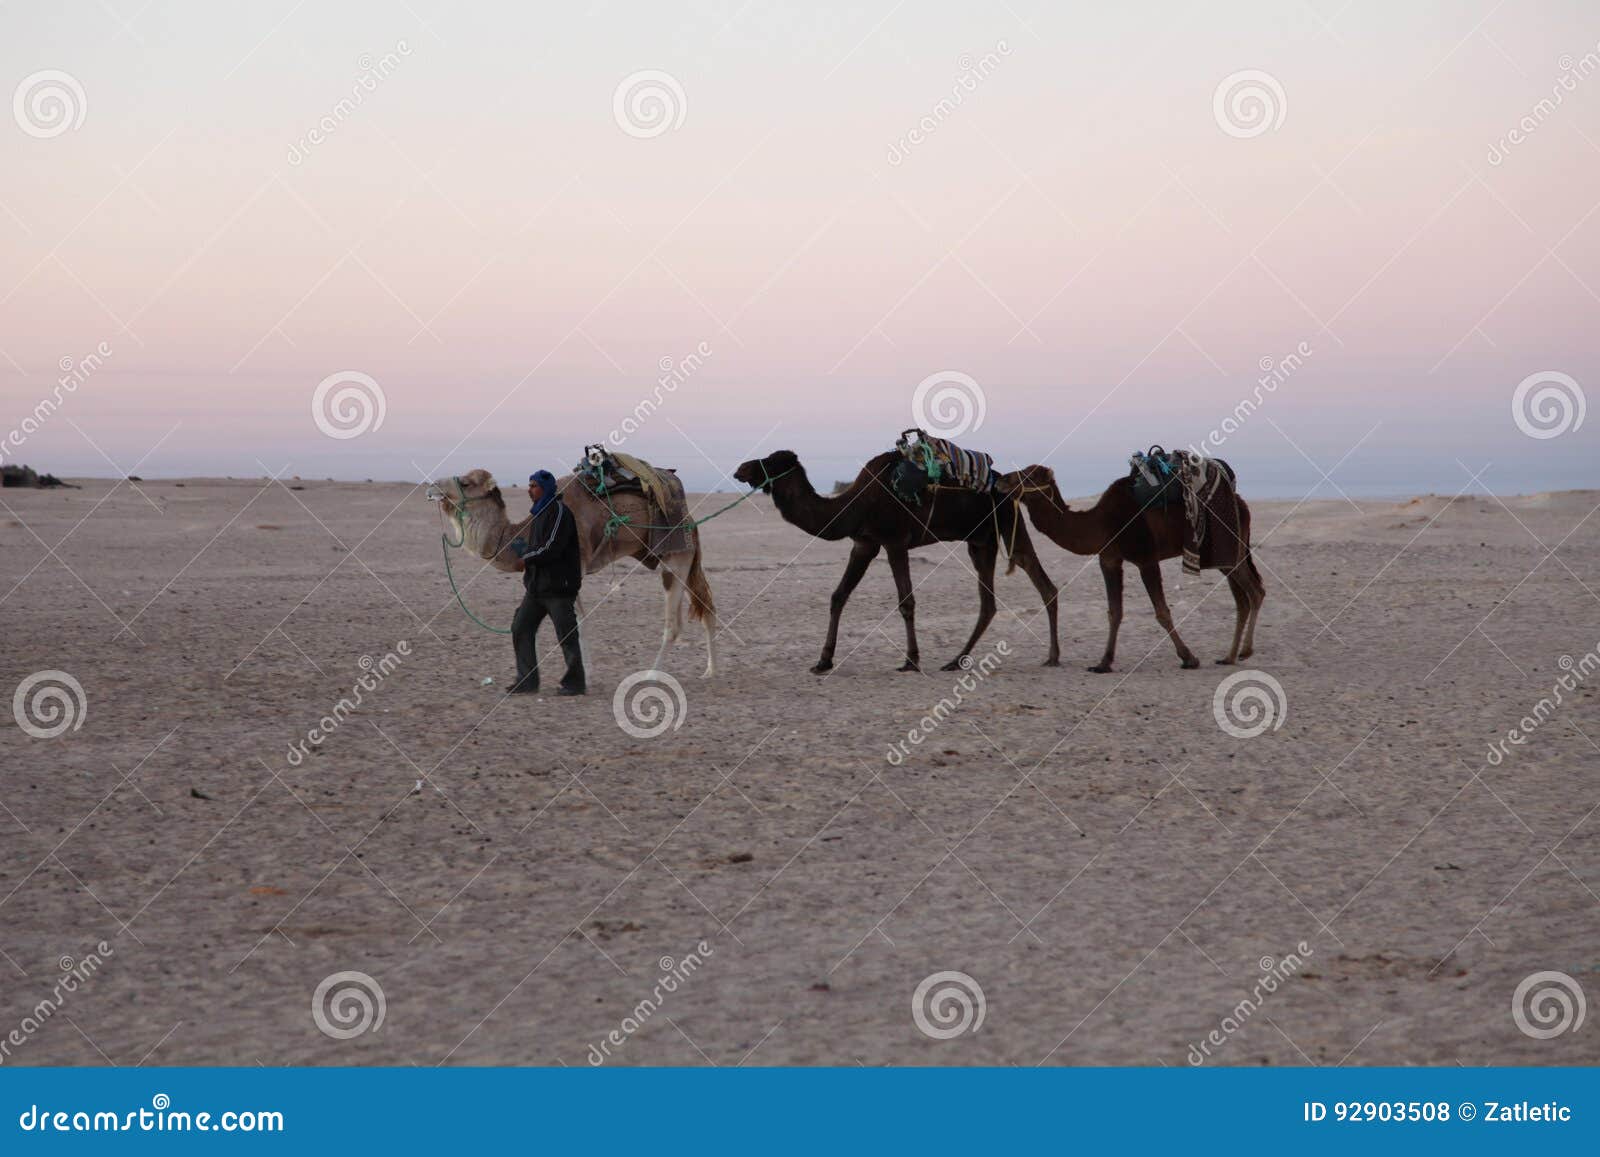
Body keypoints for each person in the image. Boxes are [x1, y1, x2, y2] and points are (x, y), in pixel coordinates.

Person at [506, 470, 585, 696]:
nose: (530, 490)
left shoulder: (559, 512)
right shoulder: (539, 513)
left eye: (534, 485)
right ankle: (527, 681)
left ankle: (575, 683)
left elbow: (551, 547)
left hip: (559, 588)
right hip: (537, 588)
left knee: (567, 635)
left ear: (546, 488)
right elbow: (537, 546)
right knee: (520, 627)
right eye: (529, 485)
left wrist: (526, 559)